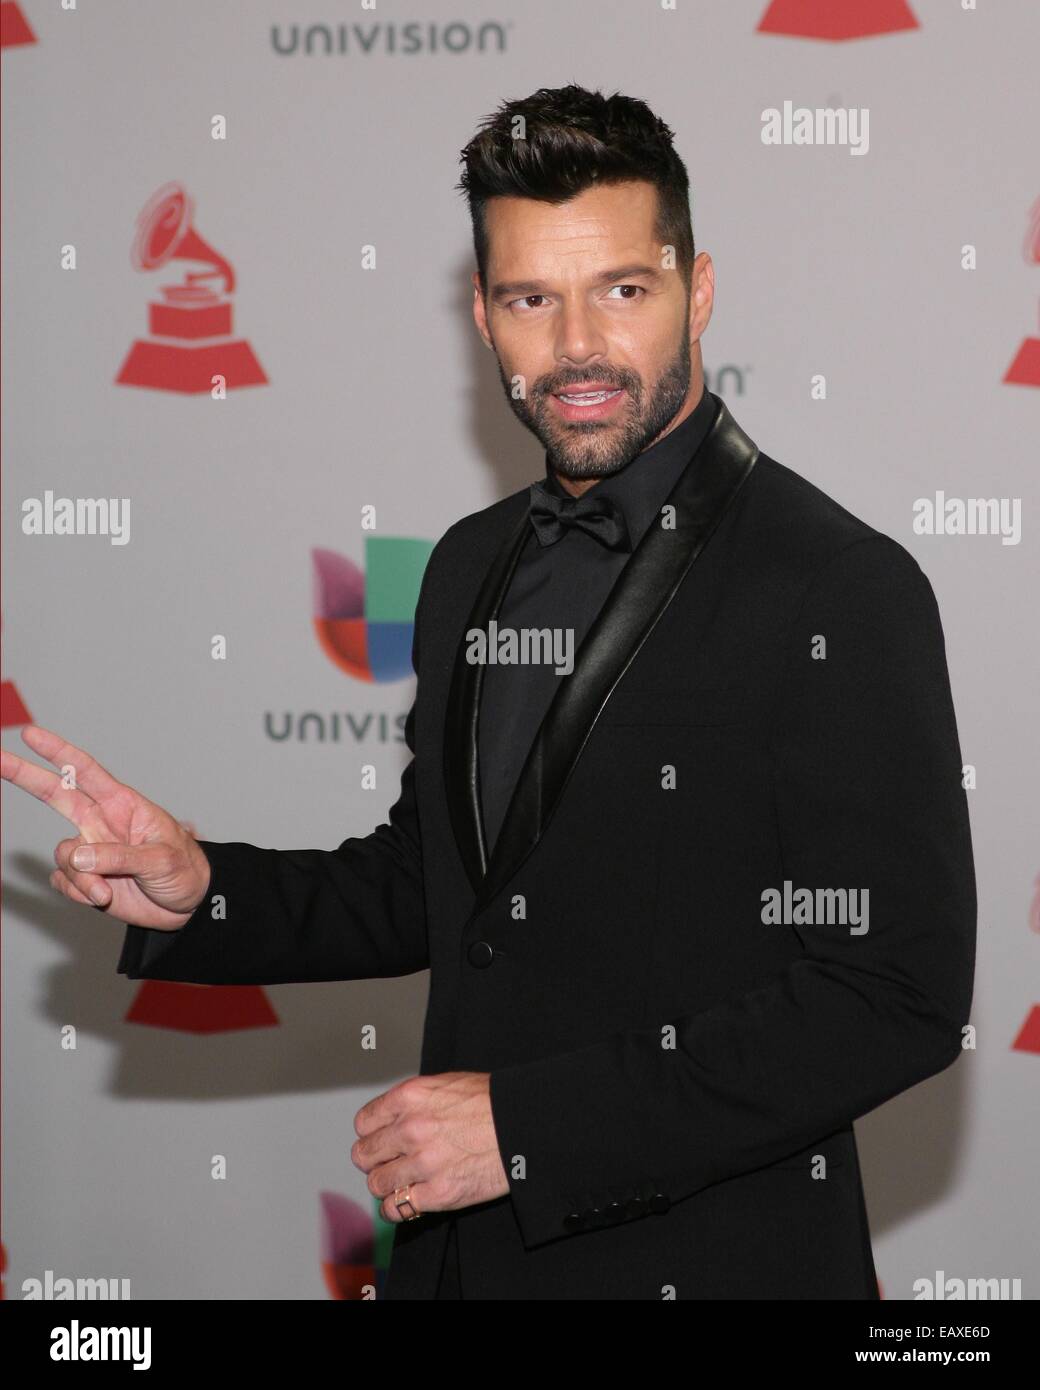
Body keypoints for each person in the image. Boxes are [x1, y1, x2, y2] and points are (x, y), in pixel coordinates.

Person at [2, 84, 976, 1300]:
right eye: (531, 298)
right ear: (481, 315)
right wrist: (205, 890)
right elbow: (437, 885)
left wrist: (526, 1128)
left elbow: (893, 995)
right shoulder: (471, 561)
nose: (576, 346)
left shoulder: (836, 584)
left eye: (621, 289)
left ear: (698, 290)